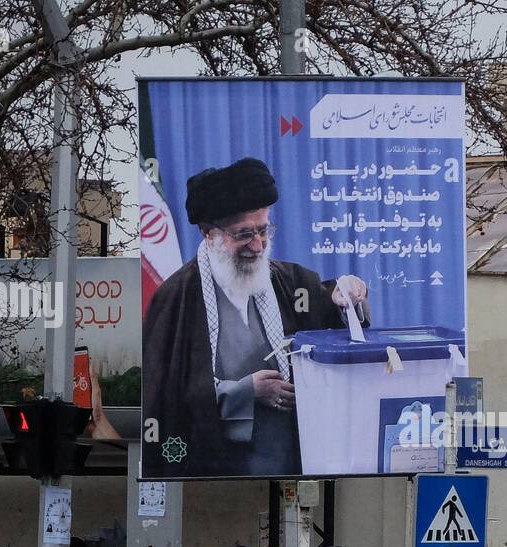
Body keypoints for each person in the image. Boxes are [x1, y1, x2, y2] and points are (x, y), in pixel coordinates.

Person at [143, 158, 371, 477]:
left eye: (263, 231)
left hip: (289, 463)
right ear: (209, 234)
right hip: (211, 469)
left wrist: (345, 297)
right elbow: (164, 393)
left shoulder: (289, 281)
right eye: (244, 234)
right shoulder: (176, 298)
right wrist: (245, 391)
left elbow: (331, 318)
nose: (258, 244)